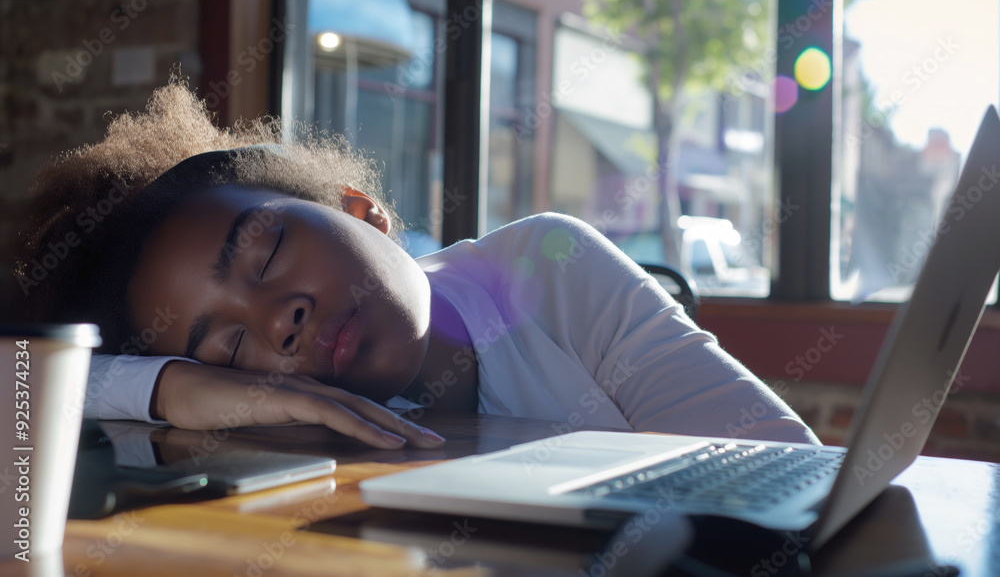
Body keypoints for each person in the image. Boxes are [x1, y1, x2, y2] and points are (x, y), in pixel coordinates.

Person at [10, 79, 819, 449]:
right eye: (226, 346)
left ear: (361, 209)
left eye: (269, 250)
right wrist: (170, 387)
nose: (276, 322)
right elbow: (16, 388)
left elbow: (794, 477)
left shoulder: (550, 265)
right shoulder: (272, 428)